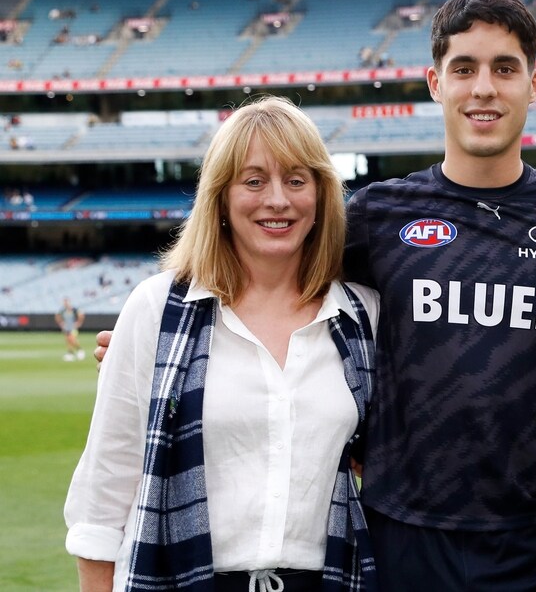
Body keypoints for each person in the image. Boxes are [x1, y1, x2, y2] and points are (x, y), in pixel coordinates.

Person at [341, 0, 536, 590]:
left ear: (534, 84)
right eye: (464, 68)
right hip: (399, 528)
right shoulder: (378, 213)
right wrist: (157, 329)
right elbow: (277, 293)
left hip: (530, 534)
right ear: (436, 83)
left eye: (504, 68)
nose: (483, 88)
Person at [66, 97, 379, 591]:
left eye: (297, 180)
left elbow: (387, 448)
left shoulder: (361, 316)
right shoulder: (156, 309)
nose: (277, 200)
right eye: (254, 181)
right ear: (222, 198)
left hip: (329, 579)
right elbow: (106, 482)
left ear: (320, 196)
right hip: (187, 578)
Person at [56, 296, 86, 361]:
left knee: (72, 339)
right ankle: (70, 353)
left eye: (66, 302)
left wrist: (78, 323)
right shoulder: (63, 310)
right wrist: (61, 323)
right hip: (66, 327)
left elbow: (81, 315)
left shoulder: (74, 309)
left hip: (72, 327)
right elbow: (57, 316)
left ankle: (79, 350)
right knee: (68, 340)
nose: (65, 303)